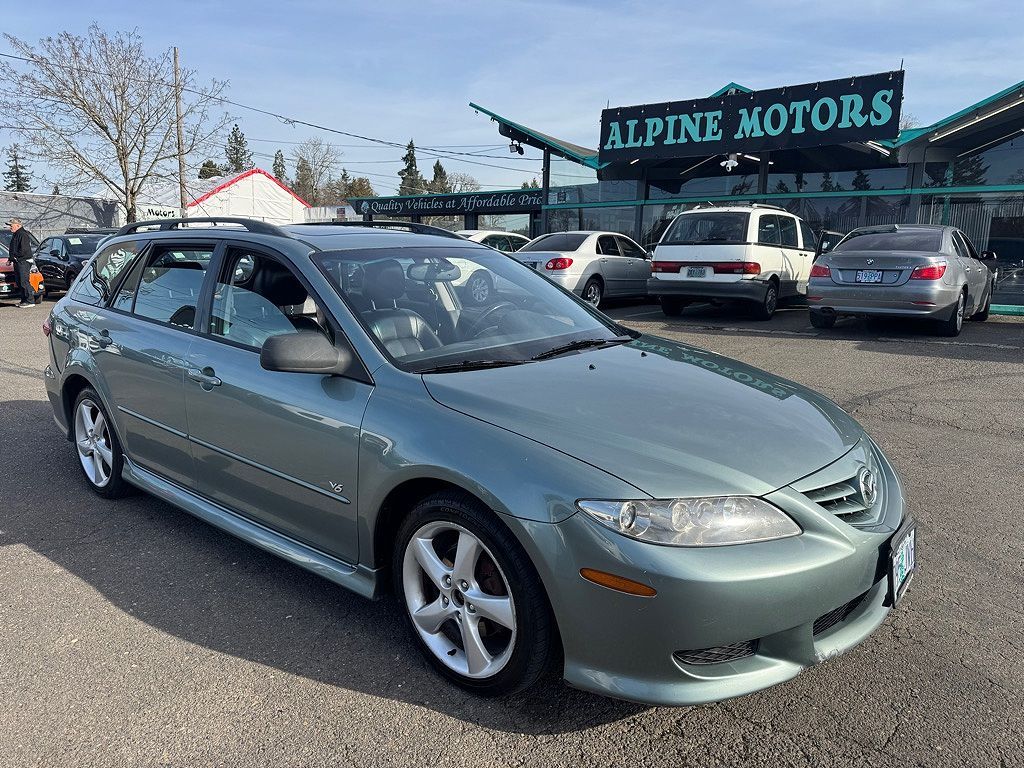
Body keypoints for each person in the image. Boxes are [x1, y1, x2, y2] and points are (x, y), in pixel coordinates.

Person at [7, 218, 36, 307]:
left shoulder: (23, 234)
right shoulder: (16, 234)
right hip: (18, 261)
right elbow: (13, 248)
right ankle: (24, 300)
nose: (10, 227)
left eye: (11, 225)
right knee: (19, 281)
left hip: (23, 261)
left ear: (18, 225)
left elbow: (24, 250)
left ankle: (30, 301)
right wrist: (10, 259)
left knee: (24, 281)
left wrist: (15, 257)